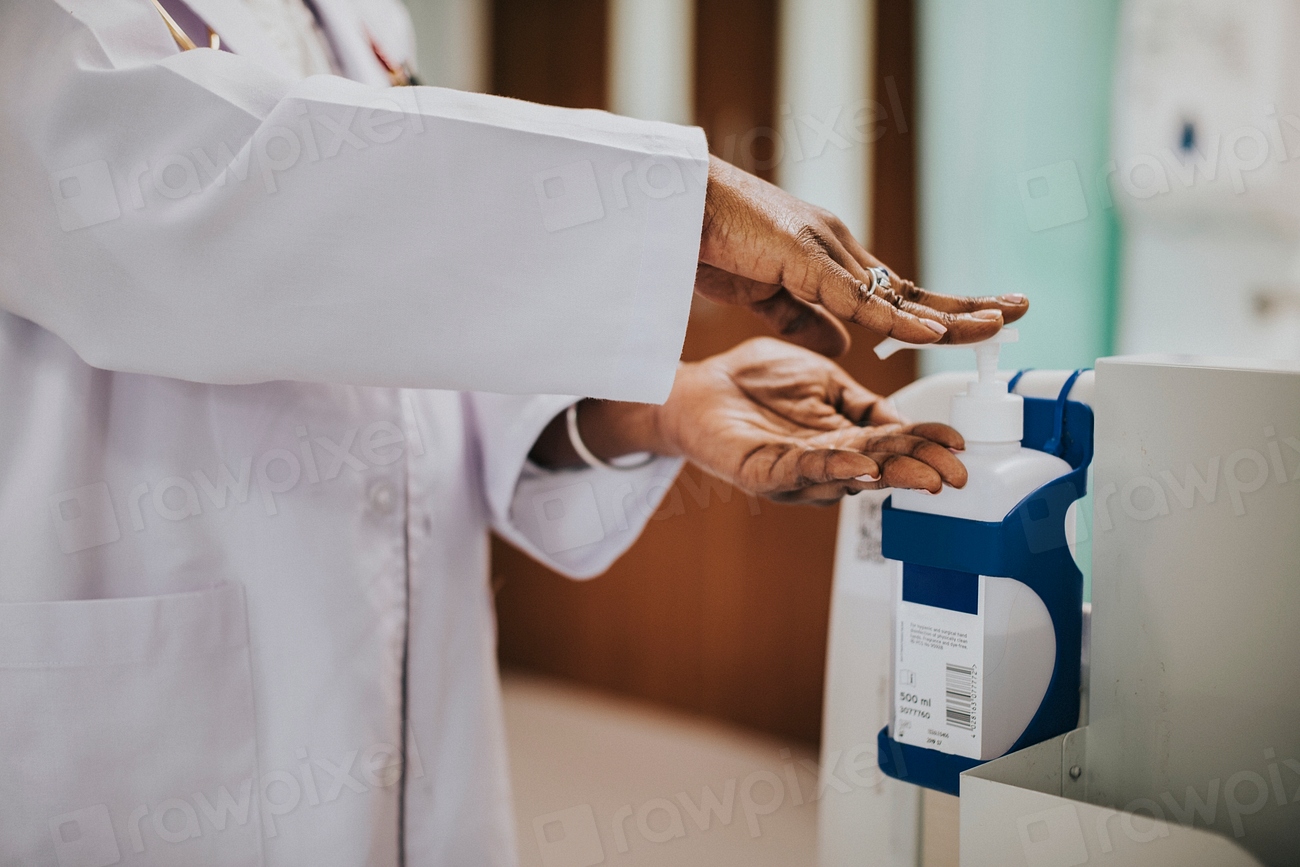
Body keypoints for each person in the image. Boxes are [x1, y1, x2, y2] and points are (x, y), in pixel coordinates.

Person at [0, 1, 1026, 864]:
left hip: (405, 691)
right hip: (133, 687)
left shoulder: (358, 13)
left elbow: (387, 314)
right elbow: (171, 203)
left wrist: (650, 403)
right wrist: (682, 204)